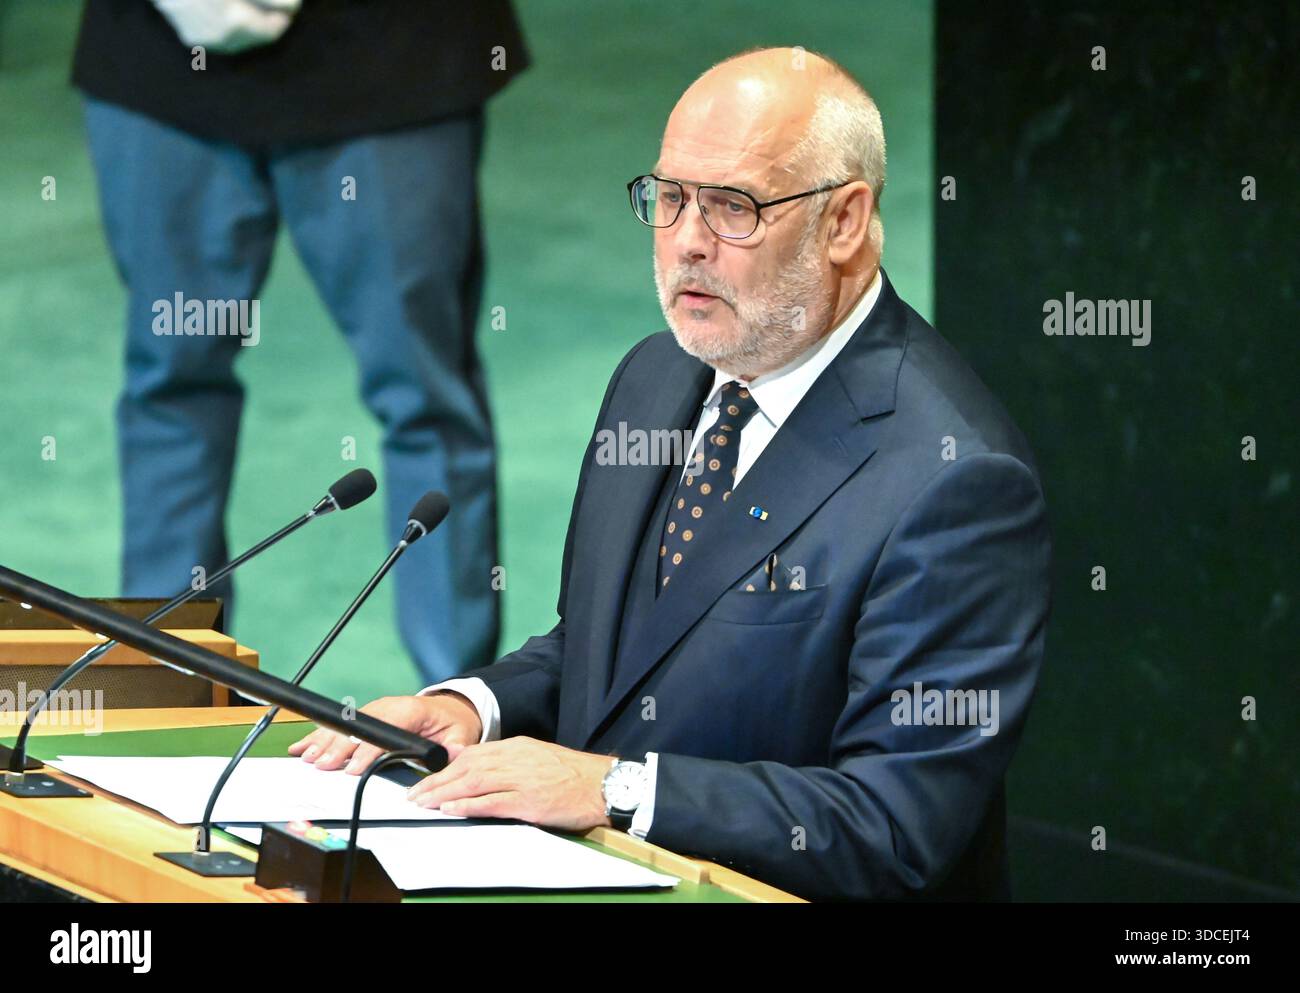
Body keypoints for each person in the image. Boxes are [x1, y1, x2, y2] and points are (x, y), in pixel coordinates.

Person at [290, 47, 1052, 902]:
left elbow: (893, 825)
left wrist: (613, 789)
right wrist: (476, 706)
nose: (687, 242)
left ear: (844, 222)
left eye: (734, 208)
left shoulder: (956, 481)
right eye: (670, 197)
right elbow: (610, 651)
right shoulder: (658, 375)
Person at [71, 0, 529, 681]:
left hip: (394, 59)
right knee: (170, 382)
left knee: (425, 393)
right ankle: (164, 687)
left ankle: (456, 712)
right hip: (159, 65)